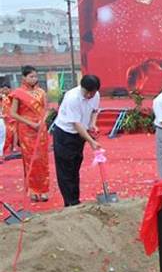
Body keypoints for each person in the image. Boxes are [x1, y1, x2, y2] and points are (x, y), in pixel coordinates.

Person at [53, 74, 101, 207]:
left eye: (92, 93)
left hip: (80, 135)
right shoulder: (72, 97)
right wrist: (91, 141)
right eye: (87, 93)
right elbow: (76, 124)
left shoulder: (95, 95)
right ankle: (70, 202)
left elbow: (94, 111)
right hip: (65, 134)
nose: (90, 96)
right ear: (82, 87)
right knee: (66, 170)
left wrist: (92, 124)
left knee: (75, 167)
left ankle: (75, 200)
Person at [10, 66, 50, 202]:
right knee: (30, 160)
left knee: (43, 160)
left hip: (41, 130)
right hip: (26, 130)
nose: (34, 79)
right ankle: (33, 190)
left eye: (36, 76)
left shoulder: (41, 92)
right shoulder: (18, 93)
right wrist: (31, 123)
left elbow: (47, 109)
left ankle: (44, 190)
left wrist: (42, 121)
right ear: (24, 78)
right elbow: (13, 113)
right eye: (31, 76)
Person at [0, 77, 18, 158]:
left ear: (9, 89)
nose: (4, 91)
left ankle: (14, 146)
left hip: (12, 116)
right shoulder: (2, 97)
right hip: (4, 117)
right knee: (7, 133)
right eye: (2, 89)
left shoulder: (12, 96)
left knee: (14, 132)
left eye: (6, 89)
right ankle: (5, 147)